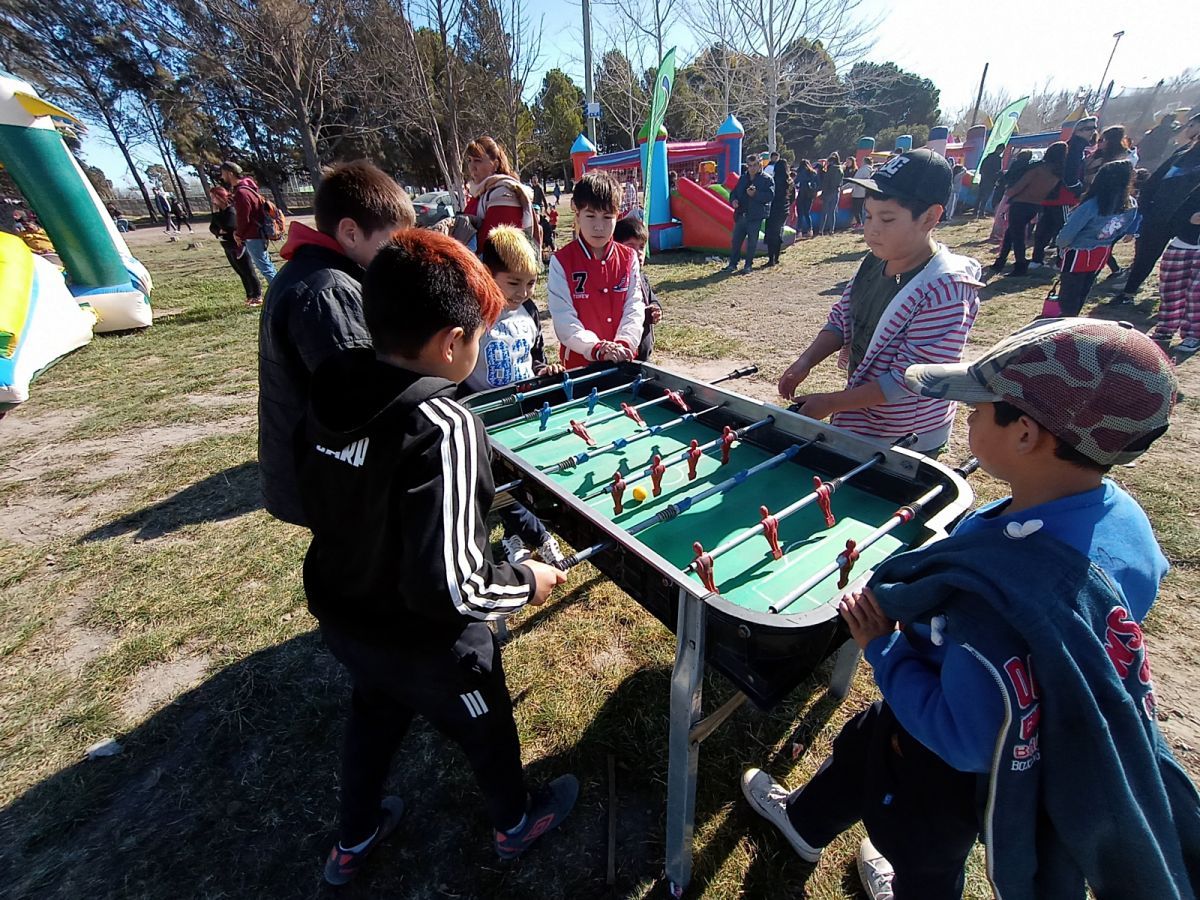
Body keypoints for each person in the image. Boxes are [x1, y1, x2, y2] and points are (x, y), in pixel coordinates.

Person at [744, 316, 1196, 900]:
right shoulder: (1122, 518)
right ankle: (803, 823)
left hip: (943, 762)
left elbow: (963, 738)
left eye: (977, 409)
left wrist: (883, 647)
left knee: (926, 852)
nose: (968, 418)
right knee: (861, 746)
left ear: (1025, 434)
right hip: (934, 703)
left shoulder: (999, 597)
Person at [299, 230, 577, 886]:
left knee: (373, 719)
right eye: (479, 335)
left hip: (347, 617)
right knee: (487, 727)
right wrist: (526, 580)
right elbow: (455, 588)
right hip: (428, 645)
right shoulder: (445, 427)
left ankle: (354, 838)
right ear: (453, 343)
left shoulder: (332, 384)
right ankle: (515, 823)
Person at [777, 150, 981, 455]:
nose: (871, 229)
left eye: (887, 219)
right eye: (868, 215)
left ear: (930, 217)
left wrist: (831, 402)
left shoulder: (946, 290)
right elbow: (842, 319)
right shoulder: (874, 261)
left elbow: (909, 380)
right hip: (864, 417)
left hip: (907, 436)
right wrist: (805, 361)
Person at [258, 160, 415, 526]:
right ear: (350, 232)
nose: (398, 255)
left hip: (314, 467)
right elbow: (359, 398)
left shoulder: (310, 273)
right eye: (392, 243)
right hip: (325, 475)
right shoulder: (330, 291)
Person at [461, 225, 568, 564]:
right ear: (487, 273)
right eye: (513, 283)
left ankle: (513, 535)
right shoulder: (473, 314)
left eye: (531, 283)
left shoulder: (529, 311)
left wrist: (544, 371)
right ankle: (539, 533)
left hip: (523, 412)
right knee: (499, 483)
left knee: (524, 477)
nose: (523, 292)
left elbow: (534, 356)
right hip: (485, 415)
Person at [547, 171, 643, 369]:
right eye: (590, 216)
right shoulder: (561, 261)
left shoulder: (628, 258)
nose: (599, 227)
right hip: (580, 365)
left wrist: (625, 342)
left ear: (618, 216)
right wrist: (595, 347)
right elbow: (564, 318)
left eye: (607, 217)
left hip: (623, 361)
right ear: (577, 214)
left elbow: (634, 307)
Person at [1114, 113, 1200, 305]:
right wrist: (1145, 206)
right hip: (1160, 214)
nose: (1187, 129)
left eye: (1191, 125)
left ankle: (1175, 299)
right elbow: (1156, 180)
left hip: (1186, 218)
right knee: (1147, 254)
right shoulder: (1183, 152)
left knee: (1180, 260)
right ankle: (1130, 291)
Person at [1053, 160, 1140, 317]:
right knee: (1085, 287)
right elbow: (1122, 229)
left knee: (1069, 292)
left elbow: (1069, 232)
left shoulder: (1092, 205)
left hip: (1078, 252)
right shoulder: (1130, 204)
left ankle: (1066, 319)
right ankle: (1073, 316)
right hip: (1102, 251)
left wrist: (1061, 245)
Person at [990, 141, 1067, 277]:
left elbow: (1021, 184)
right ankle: (1000, 262)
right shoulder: (1058, 173)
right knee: (1011, 233)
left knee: (1017, 236)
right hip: (1035, 205)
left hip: (1021, 203)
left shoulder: (1038, 168)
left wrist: (1007, 196)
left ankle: (1020, 266)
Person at [1150, 182, 1200, 352]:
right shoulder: (1194, 190)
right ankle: (1165, 330)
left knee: (1196, 295)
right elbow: (1187, 216)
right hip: (1181, 245)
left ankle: (1194, 335)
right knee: (1170, 291)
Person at [463, 136, 537, 250]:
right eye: (469, 160)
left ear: (495, 164)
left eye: (478, 160)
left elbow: (494, 248)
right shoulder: (481, 193)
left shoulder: (503, 193)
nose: (472, 167)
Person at [613, 216, 664, 360]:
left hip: (644, 352)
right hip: (625, 354)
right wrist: (643, 315)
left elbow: (651, 298)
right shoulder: (615, 281)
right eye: (631, 247)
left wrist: (656, 308)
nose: (638, 253)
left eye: (641, 247)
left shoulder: (642, 277)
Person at [219, 161, 277, 285]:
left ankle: (281, 291)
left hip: (253, 235)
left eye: (223, 173)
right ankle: (280, 289)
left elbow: (243, 218)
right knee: (267, 265)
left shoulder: (241, 193)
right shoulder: (248, 190)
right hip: (257, 233)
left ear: (230, 173)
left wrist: (238, 234)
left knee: (265, 268)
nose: (222, 177)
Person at [208, 186, 263, 307]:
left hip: (237, 246)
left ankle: (257, 295)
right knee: (240, 272)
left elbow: (229, 226)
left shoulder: (230, 210)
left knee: (248, 271)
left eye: (213, 197)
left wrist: (220, 227)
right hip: (226, 245)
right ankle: (250, 295)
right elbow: (212, 227)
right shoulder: (218, 212)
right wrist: (218, 230)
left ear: (219, 197)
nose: (212, 200)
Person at [724, 156, 774, 273]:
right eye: (750, 166)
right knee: (736, 241)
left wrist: (755, 194)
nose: (752, 168)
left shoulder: (767, 179)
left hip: (755, 216)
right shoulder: (743, 178)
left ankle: (748, 265)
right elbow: (734, 193)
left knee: (752, 242)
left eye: (755, 165)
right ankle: (732, 264)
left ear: (760, 165)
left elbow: (769, 196)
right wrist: (734, 201)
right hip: (741, 214)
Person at [764, 158, 793, 266]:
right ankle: (776, 258)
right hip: (784, 209)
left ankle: (771, 259)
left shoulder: (774, 181)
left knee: (771, 234)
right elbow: (792, 197)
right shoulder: (789, 182)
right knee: (778, 233)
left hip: (774, 209)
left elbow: (770, 195)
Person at [974, 144, 1004, 217]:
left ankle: (975, 211)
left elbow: (981, 168)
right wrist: (998, 177)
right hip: (991, 180)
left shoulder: (988, 157)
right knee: (985, 197)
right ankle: (981, 212)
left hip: (984, 178)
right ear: (1000, 150)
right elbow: (998, 170)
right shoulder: (998, 159)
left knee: (980, 195)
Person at [818, 151, 843, 235]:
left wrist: (822, 193)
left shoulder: (830, 170)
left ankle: (821, 230)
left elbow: (826, 182)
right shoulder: (840, 169)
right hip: (836, 191)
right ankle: (831, 230)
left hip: (828, 192)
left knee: (824, 212)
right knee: (832, 212)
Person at [793, 159, 819, 238]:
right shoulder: (814, 173)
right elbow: (818, 184)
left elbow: (795, 182)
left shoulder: (801, 172)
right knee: (807, 213)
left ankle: (799, 231)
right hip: (810, 195)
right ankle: (810, 230)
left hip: (802, 195)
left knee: (800, 214)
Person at [850, 159, 872, 228]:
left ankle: (860, 223)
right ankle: (861, 223)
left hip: (859, 192)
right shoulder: (871, 170)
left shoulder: (863, 170)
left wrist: (844, 187)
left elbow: (855, 180)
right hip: (865, 192)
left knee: (856, 209)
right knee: (862, 209)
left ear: (864, 162)